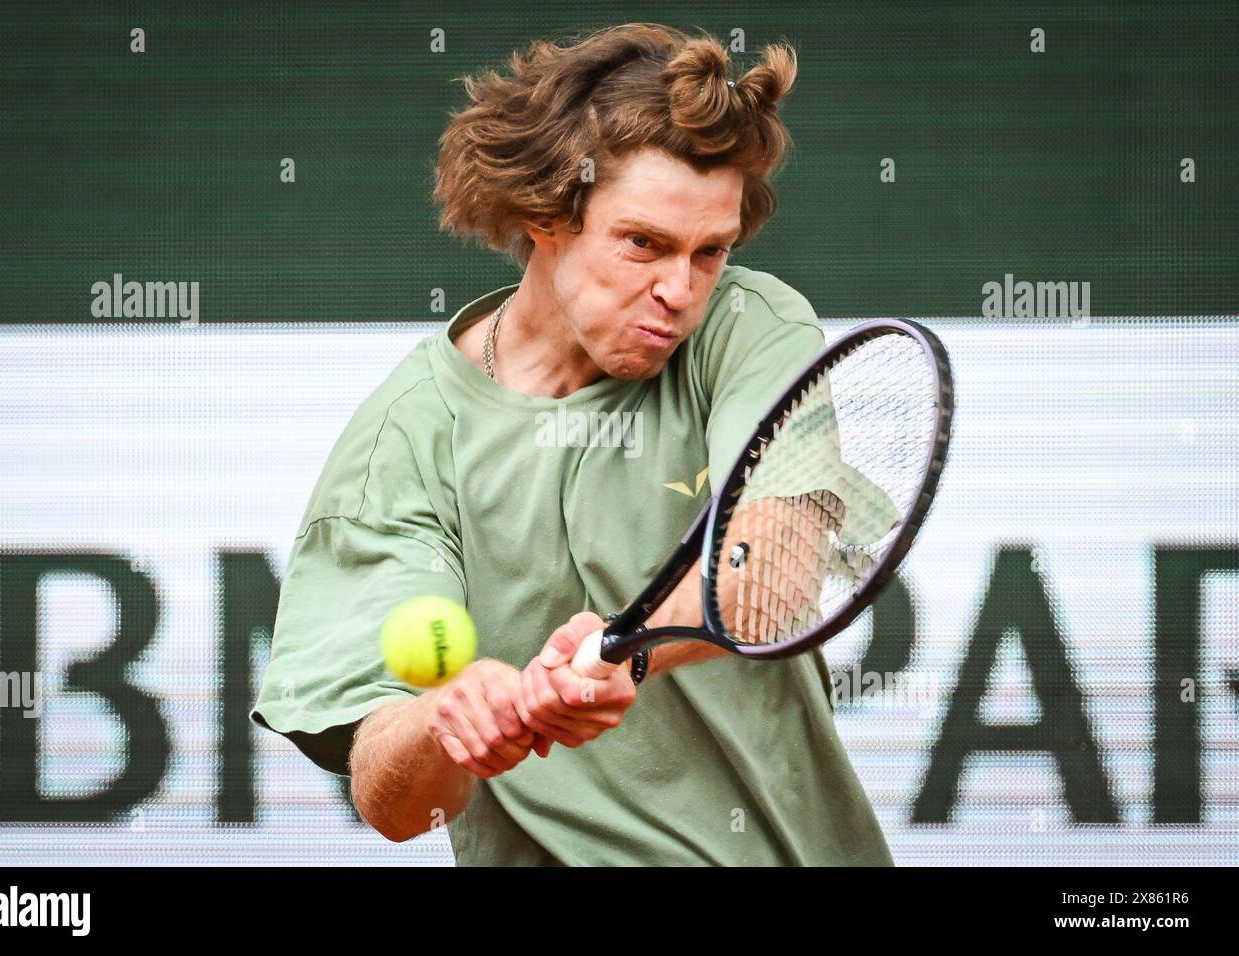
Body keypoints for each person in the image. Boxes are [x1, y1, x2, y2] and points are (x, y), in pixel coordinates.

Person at [251, 22, 893, 866]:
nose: (678, 290)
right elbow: (392, 798)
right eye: (644, 244)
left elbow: (769, 573)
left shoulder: (747, 324)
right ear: (548, 214)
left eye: (711, 252)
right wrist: (455, 724)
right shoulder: (405, 445)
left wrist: (619, 656)